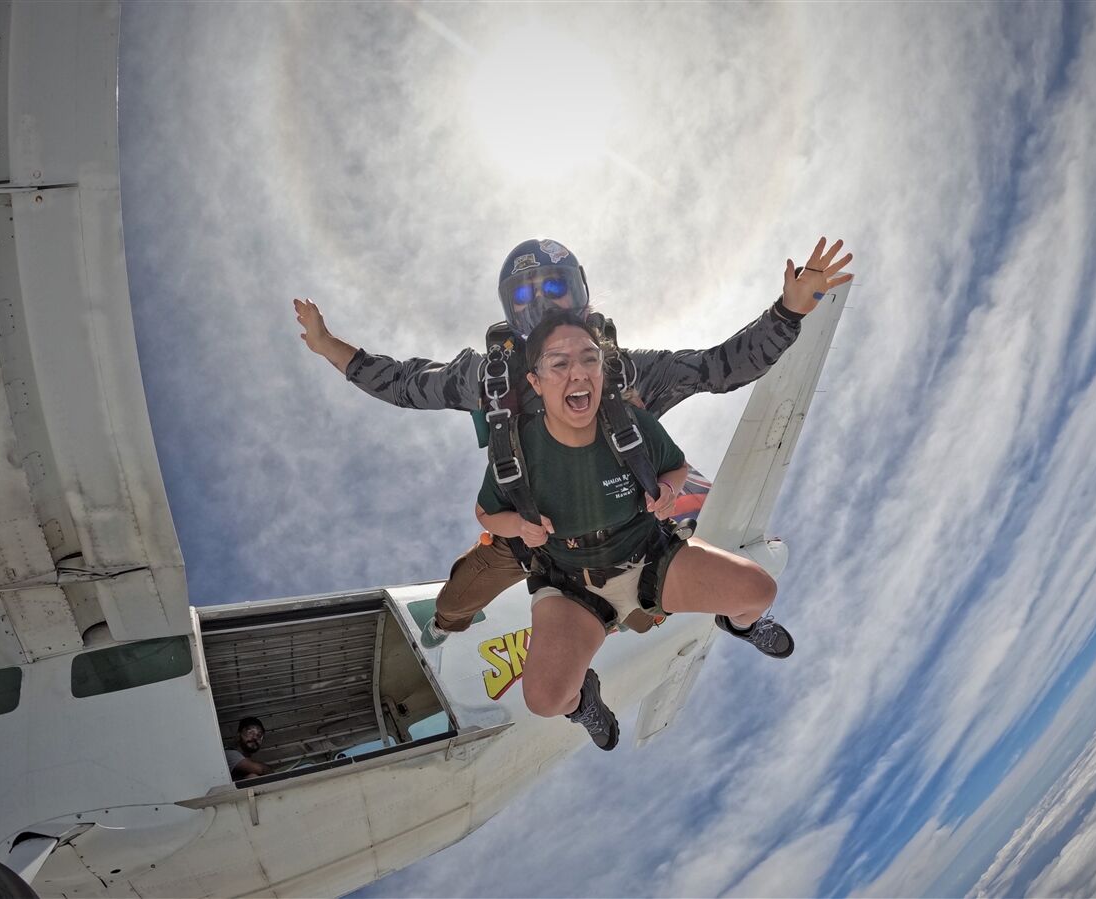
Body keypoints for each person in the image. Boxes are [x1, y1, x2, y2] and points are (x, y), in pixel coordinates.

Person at [294, 237, 852, 647]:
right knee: (456, 598)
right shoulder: (490, 379)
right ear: (511, 313)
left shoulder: (622, 371)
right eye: (527, 295)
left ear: (581, 296)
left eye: (556, 288)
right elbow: (406, 383)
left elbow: (716, 368)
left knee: (674, 596)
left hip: (628, 526)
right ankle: (445, 630)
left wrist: (788, 313)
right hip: (534, 537)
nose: (544, 304)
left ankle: (737, 618)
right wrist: (329, 346)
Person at [476, 309, 790, 750]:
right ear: (536, 381)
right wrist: (518, 525)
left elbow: (676, 468)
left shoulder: (629, 425)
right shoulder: (515, 454)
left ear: (601, 369)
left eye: (589, 359)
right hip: (572, 586)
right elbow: (486, 513)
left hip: (649, 559)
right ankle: (583, 701)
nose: (578, 373)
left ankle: (741, 625)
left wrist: (668, 489)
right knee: (546, 700)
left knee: (759, 591)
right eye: (559, 363)